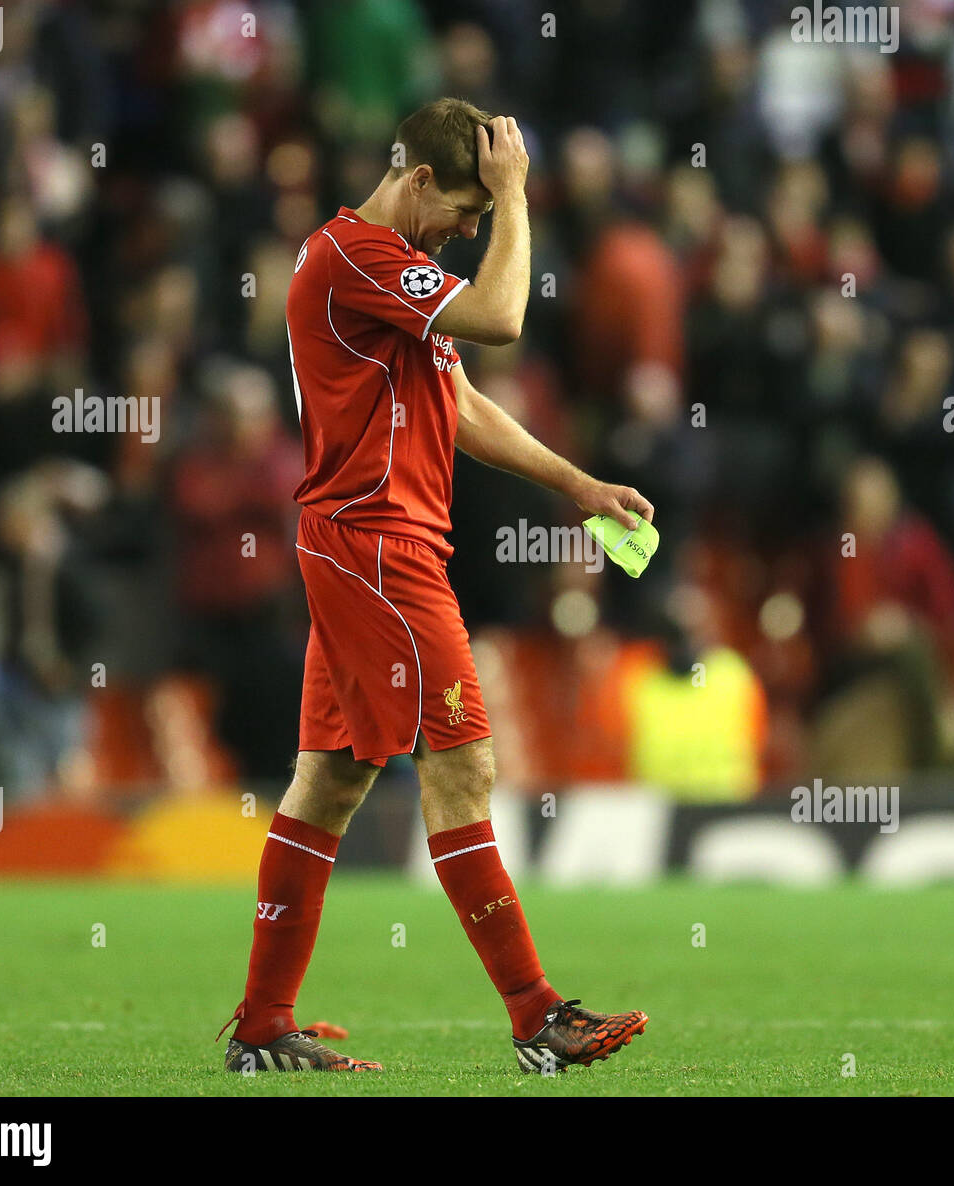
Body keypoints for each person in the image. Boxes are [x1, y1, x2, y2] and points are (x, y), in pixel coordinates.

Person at [216, 99, 652, 1074]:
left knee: (328, 780)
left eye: (478, 216)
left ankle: (261, 1022)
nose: (467, 230)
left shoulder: (386, 275)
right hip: (378, 548)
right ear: (417, 182)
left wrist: (577, 484)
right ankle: (539, 1012)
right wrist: (518, 196)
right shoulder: (353, 257)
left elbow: (455, 399)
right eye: (462, 210)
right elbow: (501, 316)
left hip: (366, 546)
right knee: (463, 769)